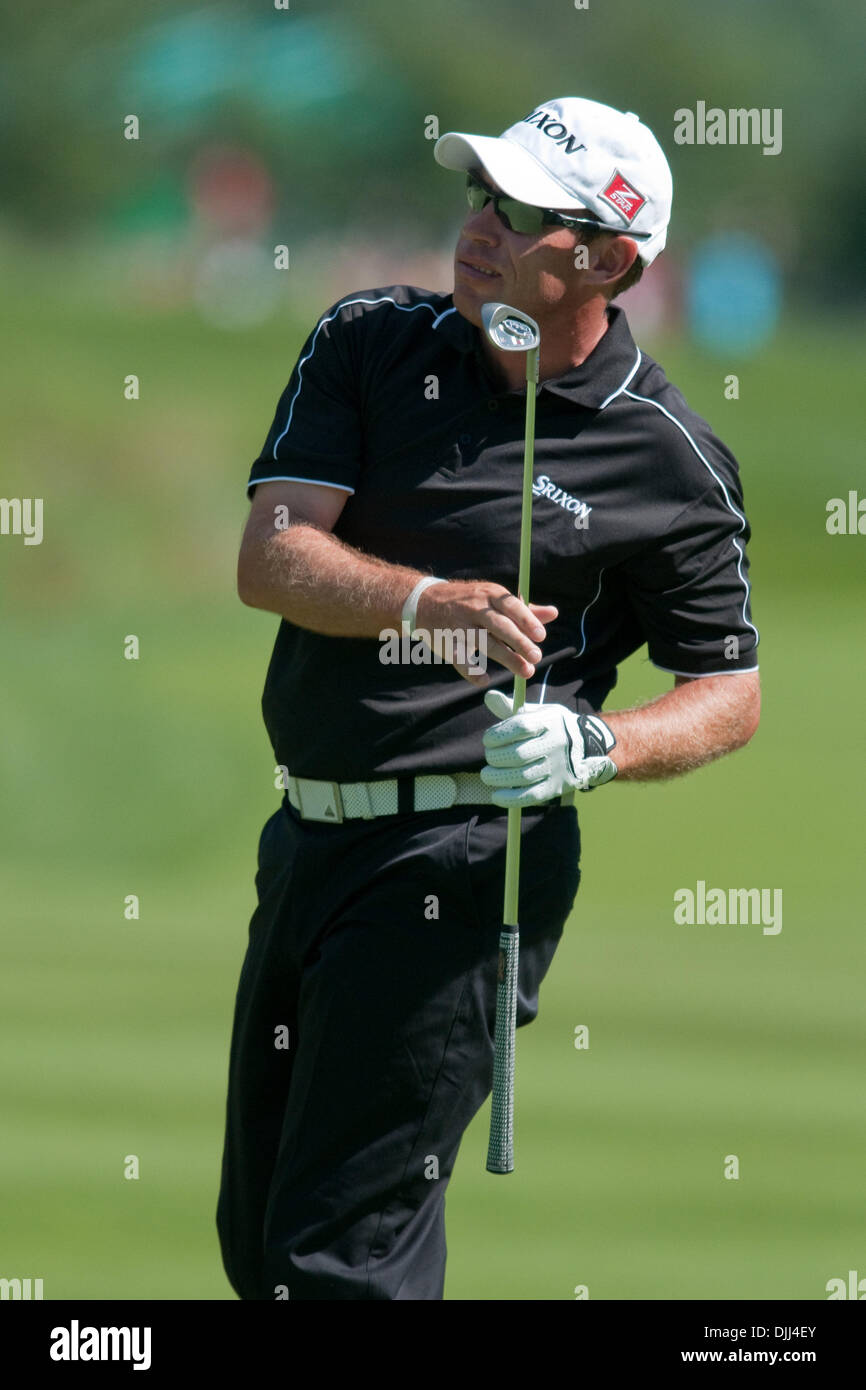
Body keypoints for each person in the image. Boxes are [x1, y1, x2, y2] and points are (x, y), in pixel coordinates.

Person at [216, 96, 760, 1301]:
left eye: (522, 213)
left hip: (462, 864)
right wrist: (428, 605)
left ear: (611, 258)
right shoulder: (366, 339)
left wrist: (596, 743)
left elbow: (726, 688)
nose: (481, 225)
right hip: (305, 839)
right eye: (479, 195)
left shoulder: (664, 456)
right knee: (262, 1252)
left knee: (338, 1263)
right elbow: (274, 556)